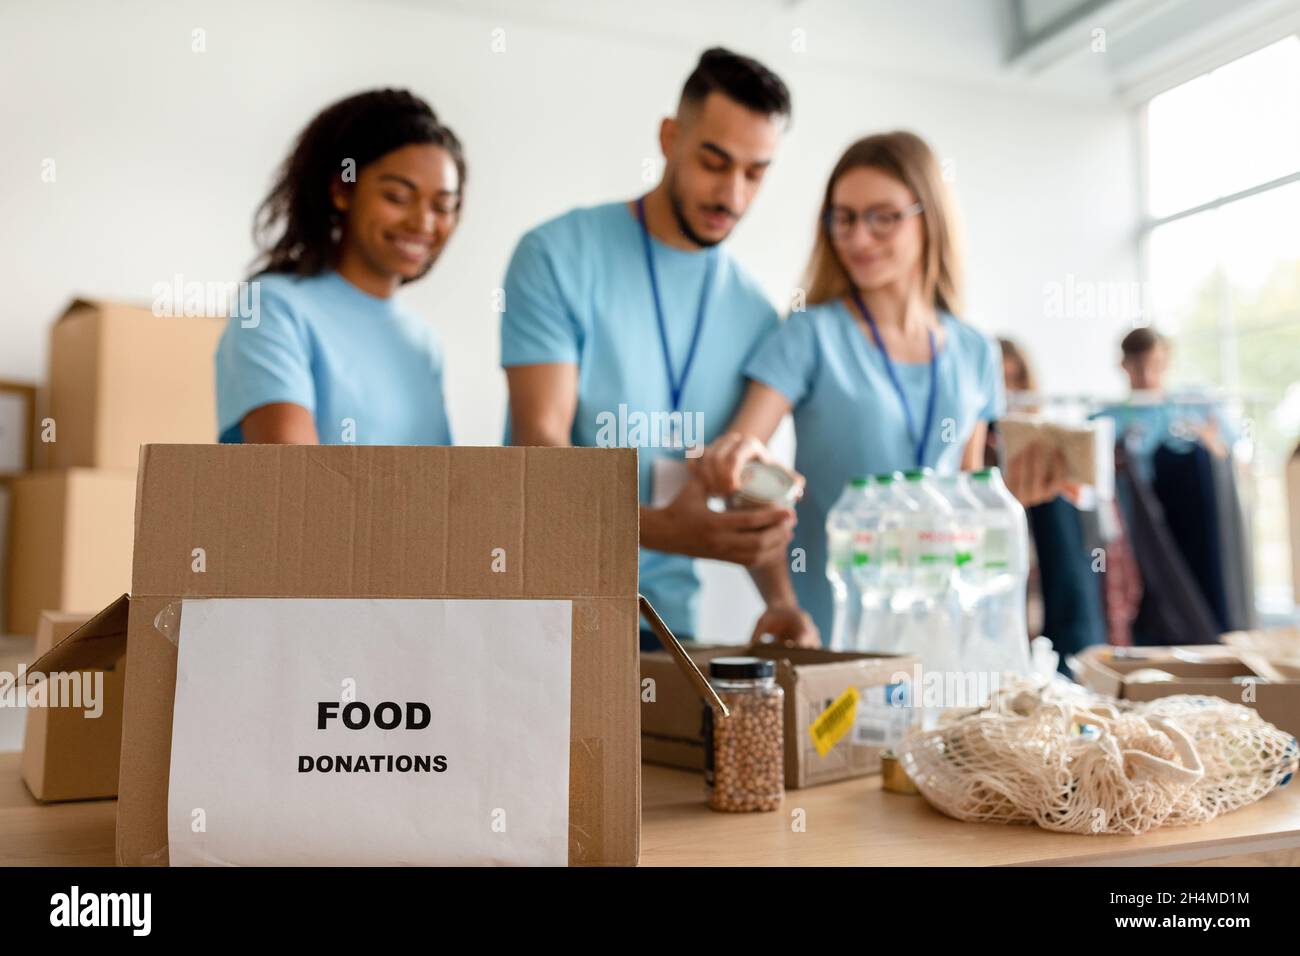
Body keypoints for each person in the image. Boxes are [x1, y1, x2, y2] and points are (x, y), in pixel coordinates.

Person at [499, 48, 816, 649]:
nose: (733, 195)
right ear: (670, 138)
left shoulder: (754, 311)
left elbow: (738, 477)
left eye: (756, 172)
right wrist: (663, 532)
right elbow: (540, 454)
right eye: (714, 162)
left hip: (669, 634)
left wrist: (781, 600)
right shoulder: (556, 255)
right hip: (546, 614)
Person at [698, 131, 1065, 643]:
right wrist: (783, 604)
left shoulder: (975, 351)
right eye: (844, 217)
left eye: (882, 217)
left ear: (929, 216)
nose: (858, 237)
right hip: (831, 632)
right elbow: (743, 473)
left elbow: (967, 500)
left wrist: (1014, 498)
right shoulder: (809, 334)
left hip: (942, 633)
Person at [216, 89, 464, 445]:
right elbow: (293, 477)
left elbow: (441, 484)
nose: (423, 223)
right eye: (397, 197)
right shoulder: (272, 307)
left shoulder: (422, 343)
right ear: (342, 191)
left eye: (443, 206)